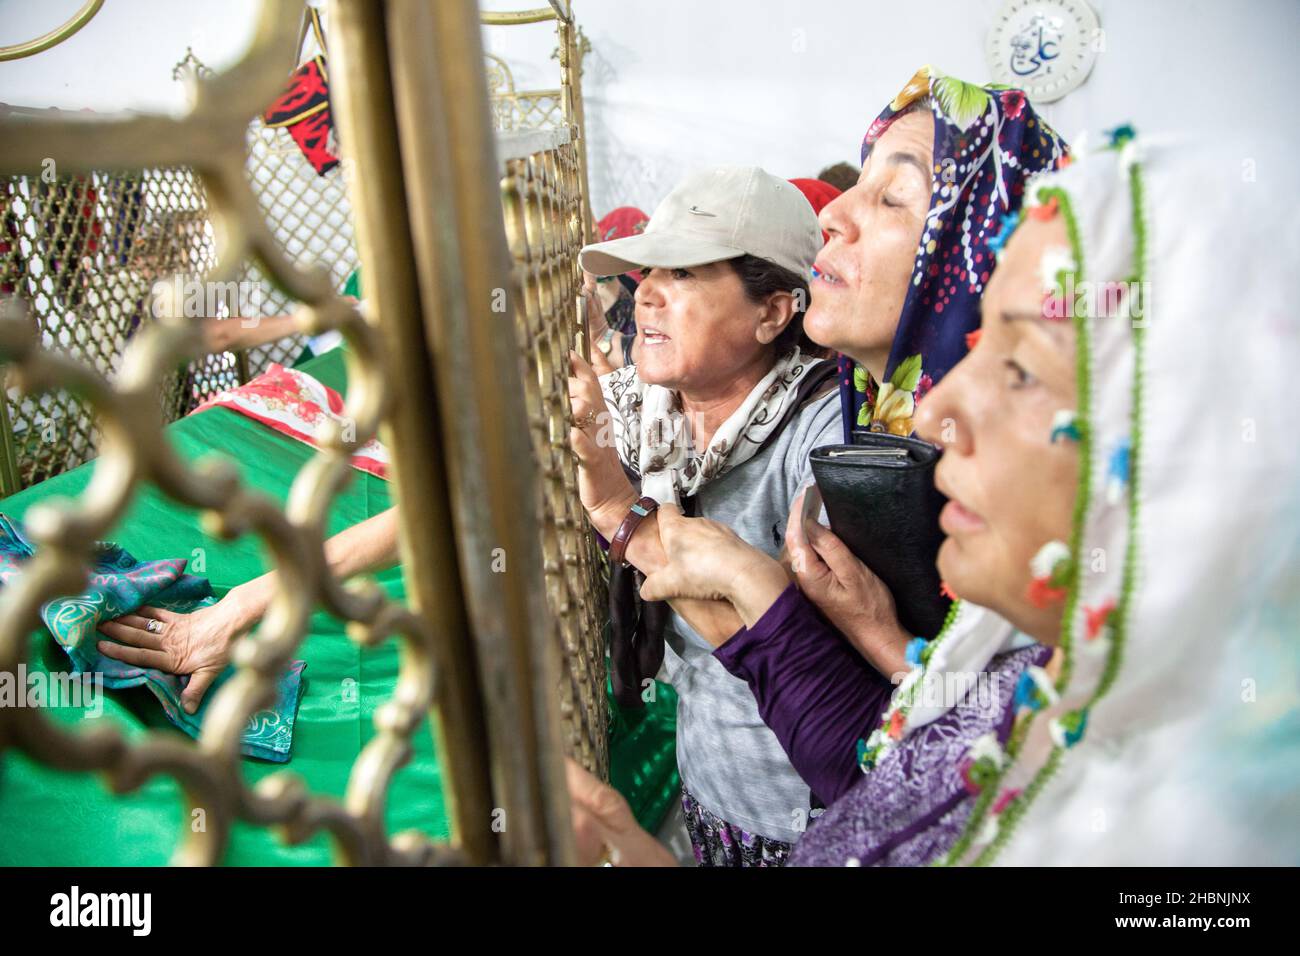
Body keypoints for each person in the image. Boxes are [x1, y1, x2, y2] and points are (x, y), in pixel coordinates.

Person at [566, 131, 1300, 866]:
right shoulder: (1022, 679)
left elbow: (857, 762)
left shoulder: (1175, 840)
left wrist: (712, 568)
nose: (934, 412)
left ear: (1180, 453)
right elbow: (898, 761)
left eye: (1019, 369)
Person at [569, 164, 845, 864]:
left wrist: (615, 509)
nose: (648, 292)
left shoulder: (822, 437)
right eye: (649, 271)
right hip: (709, 784)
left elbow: (783, 646)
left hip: (799, 819)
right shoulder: (649, 408)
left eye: (685, 273)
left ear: (774, 311)